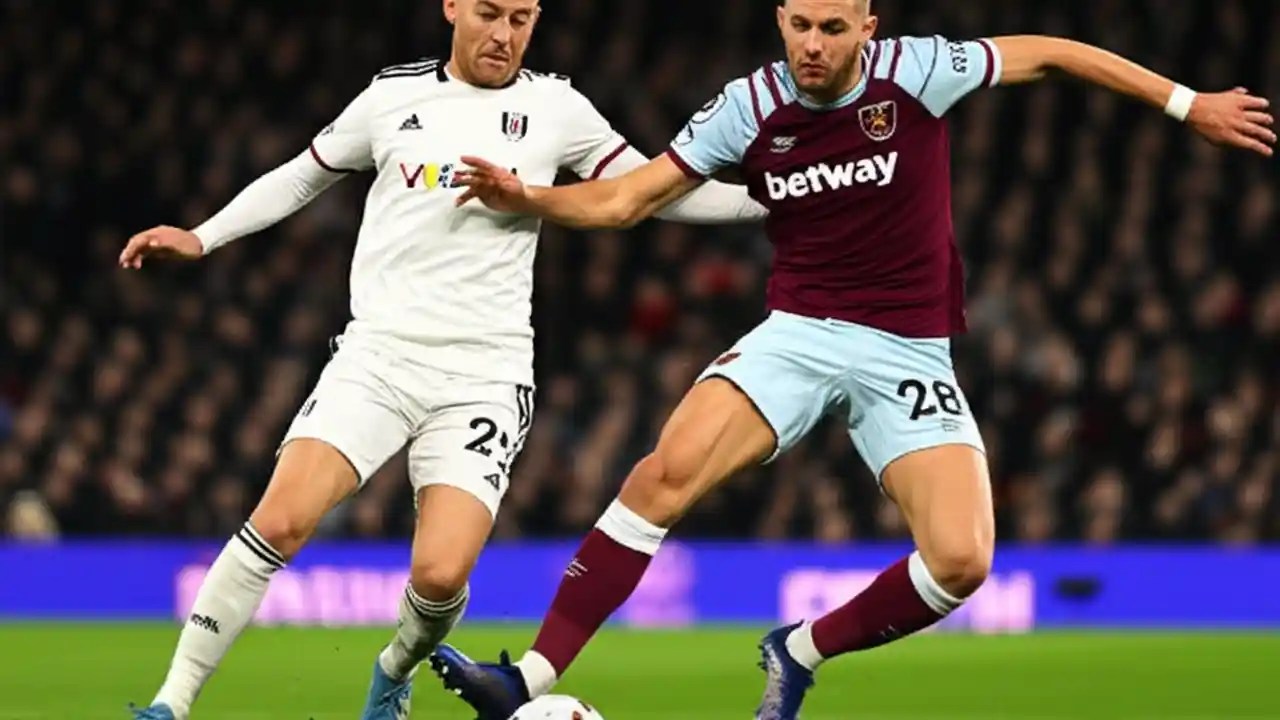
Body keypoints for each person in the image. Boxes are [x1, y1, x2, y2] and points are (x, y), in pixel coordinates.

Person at [427, 0, 1276, 718]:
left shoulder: (917, 71)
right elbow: (626, 200)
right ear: (781, 22)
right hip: (798, 330)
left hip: (908, 347)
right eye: (799, 25)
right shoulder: (747, 106)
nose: (813, 45)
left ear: (869, 26)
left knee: (962, 560)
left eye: (834, 26)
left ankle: (798, 649)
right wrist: (528, 196)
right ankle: (528, 680)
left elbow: (1050, 55)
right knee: (663, 474)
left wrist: (1185, 103)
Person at [118, 1, 766, 718]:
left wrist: (776, 200)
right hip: (379, 356)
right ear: (452, 7)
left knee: (439, 575)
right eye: (490, 13)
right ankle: (170, 704)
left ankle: (394, 669)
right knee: (279, 521)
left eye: (522, 18)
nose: (505, 34)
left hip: (485, 376)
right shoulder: (393, 95)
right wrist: (202, 237)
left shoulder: (556, 107)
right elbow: (303, 174)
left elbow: (648, 191)